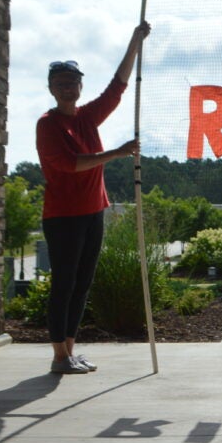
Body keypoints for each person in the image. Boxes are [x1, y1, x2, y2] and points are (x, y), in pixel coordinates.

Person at [35, 21, 151, 375]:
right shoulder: (48, 124)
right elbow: (71, 164)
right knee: (64, 284)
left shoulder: (87, 118)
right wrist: (116, 153)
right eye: (60, 84)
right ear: (52, 89)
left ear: (80, 86)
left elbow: (117, 89)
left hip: (92, 212)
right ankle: (58, 357)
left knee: (82, 285)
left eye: (72, 82)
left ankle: (70, 350)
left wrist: (135, 41)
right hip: (63, 216)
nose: (67, 88)